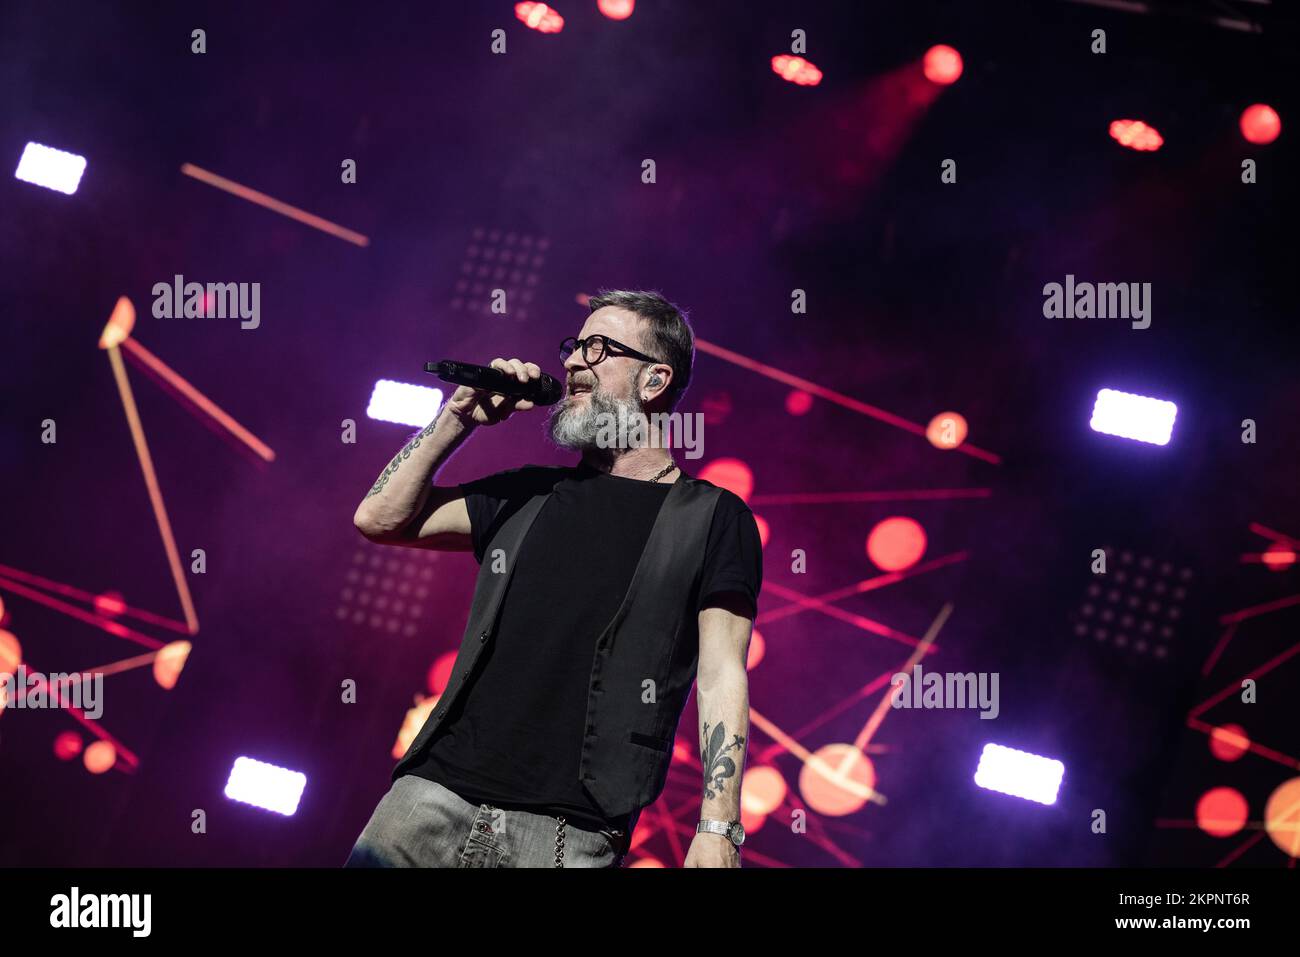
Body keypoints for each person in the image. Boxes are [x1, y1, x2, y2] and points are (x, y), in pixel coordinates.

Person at [345, 290, 762, 868]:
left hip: (570, 831)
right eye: (573, 347)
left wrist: (718, 826)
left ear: (654, 380)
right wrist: (455, 420)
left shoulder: (714, 519)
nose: (571, 362)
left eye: (598, 348)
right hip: (429, 799)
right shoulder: (528, 492)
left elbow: (721, 673)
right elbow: (379, 518)